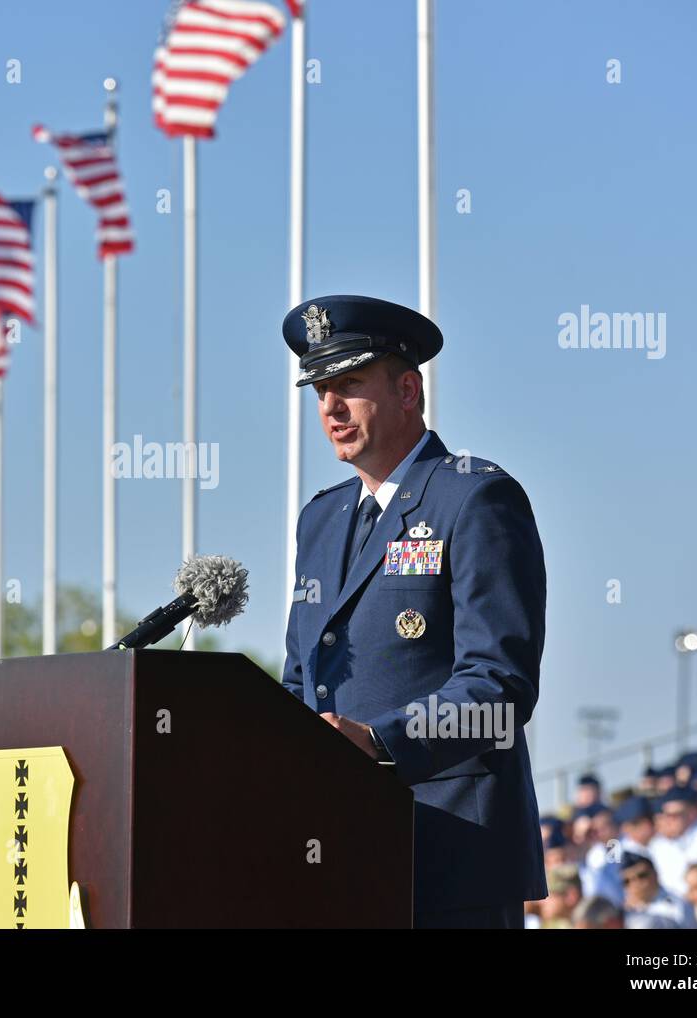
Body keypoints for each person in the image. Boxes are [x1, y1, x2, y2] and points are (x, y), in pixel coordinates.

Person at [279, 295, 547, 929]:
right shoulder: (319, 519)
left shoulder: (475, 497)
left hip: (451, 859)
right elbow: (301, 680)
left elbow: (500, 688)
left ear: (407, 390)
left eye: (349, 384)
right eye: (320, 390)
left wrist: (378, 743)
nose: (330, 408)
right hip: (340, 858)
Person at [649, 786, 697, 898]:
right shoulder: (658, 843)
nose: (668, 821)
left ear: (692, 814)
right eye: (665, 815)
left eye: (674, 816)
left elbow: (696, 876)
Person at [620, 849, 696, 930]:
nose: (635, 883)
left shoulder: (677, 906)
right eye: (627, 881)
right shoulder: (623, 913)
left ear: (655, 873)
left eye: (641, 876)